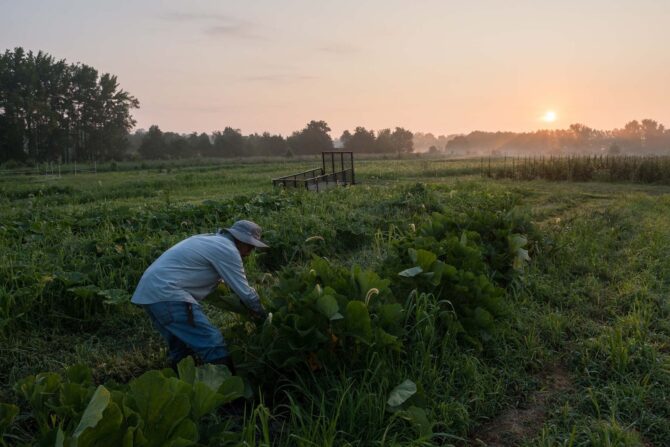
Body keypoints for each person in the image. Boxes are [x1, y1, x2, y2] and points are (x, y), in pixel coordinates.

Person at [131, 220, 269, 374]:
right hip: (169, 294)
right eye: (250, 246)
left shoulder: (210, 240)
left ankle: (186, 390)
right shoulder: (227, 249)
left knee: (181, 348)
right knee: (212, 342)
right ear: (239, 239)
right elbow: (245, 292)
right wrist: (262, 317)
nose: (249, 252)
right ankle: (231, 392)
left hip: (150, 294)